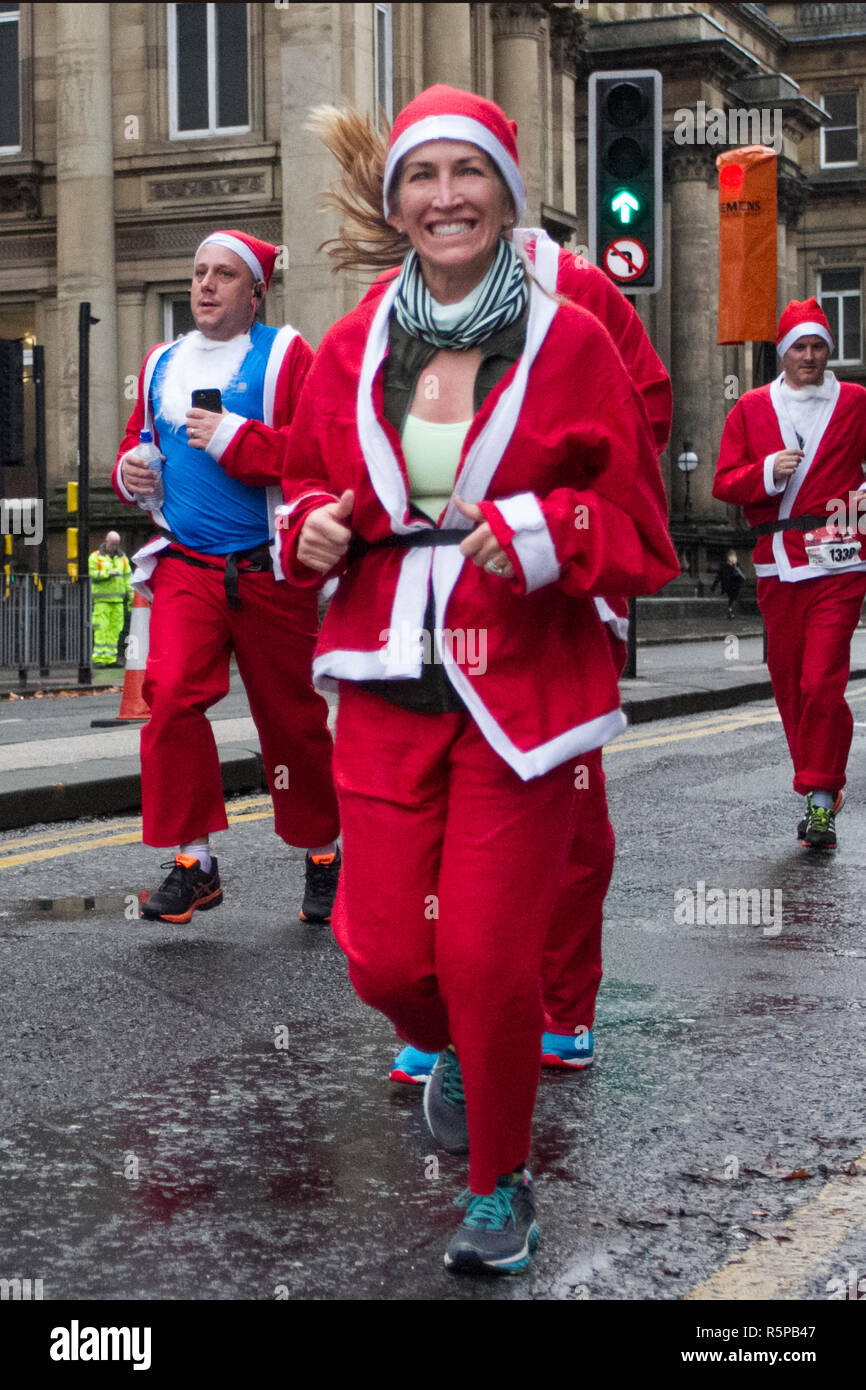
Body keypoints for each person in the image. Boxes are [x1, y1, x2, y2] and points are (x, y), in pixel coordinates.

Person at [278, 86, 678, 1273]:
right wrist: (309, 525)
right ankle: (451, 1040)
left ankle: (500, 1184)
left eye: (468, 173)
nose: (444, 196)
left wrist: (548, 527)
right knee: (388, 957)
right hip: (388, 684)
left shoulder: (574, 338)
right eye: (422, 176)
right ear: (395, 202)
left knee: (492, 957)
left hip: (519, 696)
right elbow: (305, 478)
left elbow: (641, 527)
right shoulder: (350, 344)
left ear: (506, 191)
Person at [112, 229, 340, 923]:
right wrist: (128, 471)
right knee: (172, 698)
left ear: (255, 291)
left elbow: (319, 455)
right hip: (186, 564)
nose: (205, 286)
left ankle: (324, 853)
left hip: (270, 569)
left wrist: (239, 440)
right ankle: (195, 863)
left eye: (224, 275)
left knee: (292, 721)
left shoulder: (286, 356)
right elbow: (136, 440)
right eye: (199, 273)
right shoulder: (161, 361)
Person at [714, 297, 866, 849]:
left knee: (822, 682)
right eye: (799, 346)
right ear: (784, 353)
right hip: (778, 563)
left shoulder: (855, 402)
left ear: (829, 350)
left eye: (818, 345)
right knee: (789, 685)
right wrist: (764, 472)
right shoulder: (752, 409)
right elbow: (724, 483)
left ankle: (821, 800)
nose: (809, 356)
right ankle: (817, 781)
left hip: (840, 561)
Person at [88, 530, 132, 666]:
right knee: (102, 629)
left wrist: (132, 598)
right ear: (106, 541)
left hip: (117, 601)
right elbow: (91, 573)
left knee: (115, 630)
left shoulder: (123, 559)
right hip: (102, 601)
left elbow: (128, 580)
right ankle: (100, 660)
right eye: (112, 544)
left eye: (116, 544)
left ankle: (111, 659)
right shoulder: (95, 557)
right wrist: (107, 574)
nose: (114, 547)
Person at [711, 548, 745, 619]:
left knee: (732, 598)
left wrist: (736, 568)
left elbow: (742, 577)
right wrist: (714, 586)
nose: (733, 558)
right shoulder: (724, 566)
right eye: (731, 556)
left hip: (735, 586)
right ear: (728, 557)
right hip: (728, 585)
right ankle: (730, 611)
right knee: (731, 597)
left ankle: (730, 610)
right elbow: (719, 576)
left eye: (734, 556)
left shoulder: (737, 566)